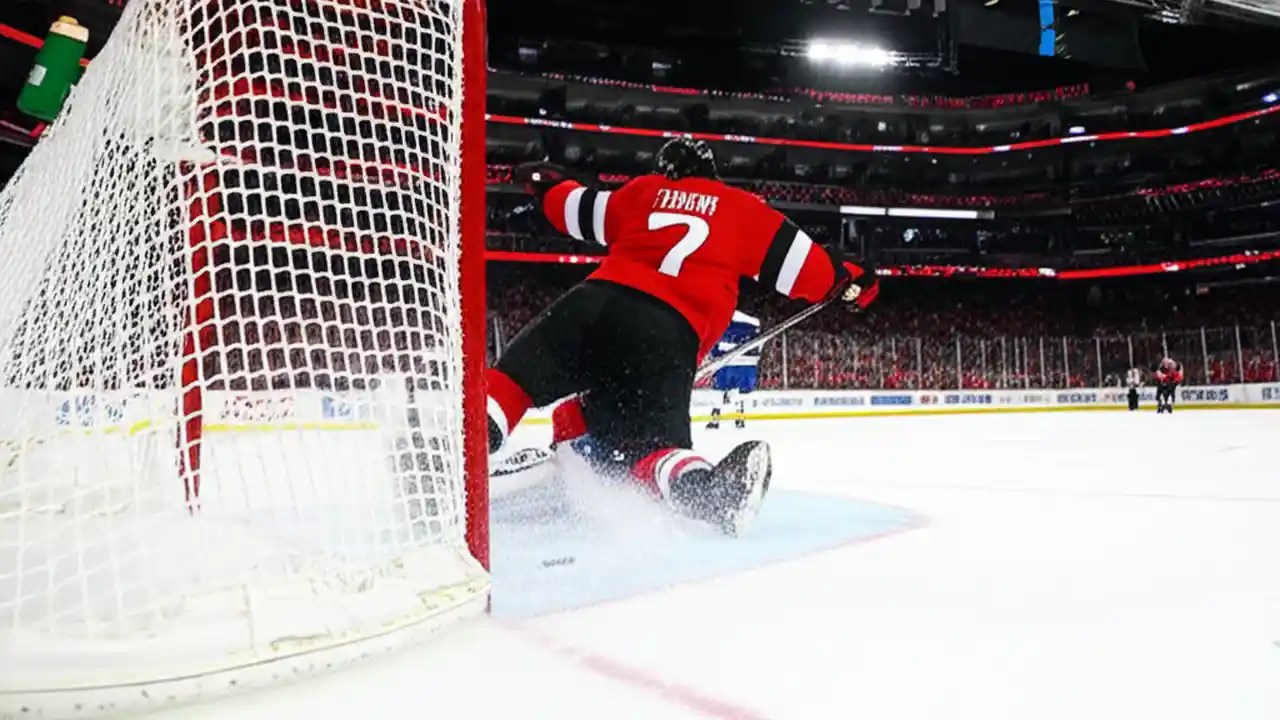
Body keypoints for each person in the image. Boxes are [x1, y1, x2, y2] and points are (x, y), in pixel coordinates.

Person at [485, 138, 879, 535]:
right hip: (664, 331)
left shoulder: (640, 192)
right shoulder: (740, 208)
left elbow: (574, 210)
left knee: (512, 384)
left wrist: (548, 185)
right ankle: (710, 492)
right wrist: (852, 280)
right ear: (711, 174)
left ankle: (455, 455)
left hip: (591, 303)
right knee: (656, 446)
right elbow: (808, 271)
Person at [706, 311, 761, 430]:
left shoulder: (720, 322)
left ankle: (715, 419)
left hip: (726, 362)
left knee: (719, 391)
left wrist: (714, 357)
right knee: (739, 393)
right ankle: (739, 417)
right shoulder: (752, 323)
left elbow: (713, 345)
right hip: (745, 363)